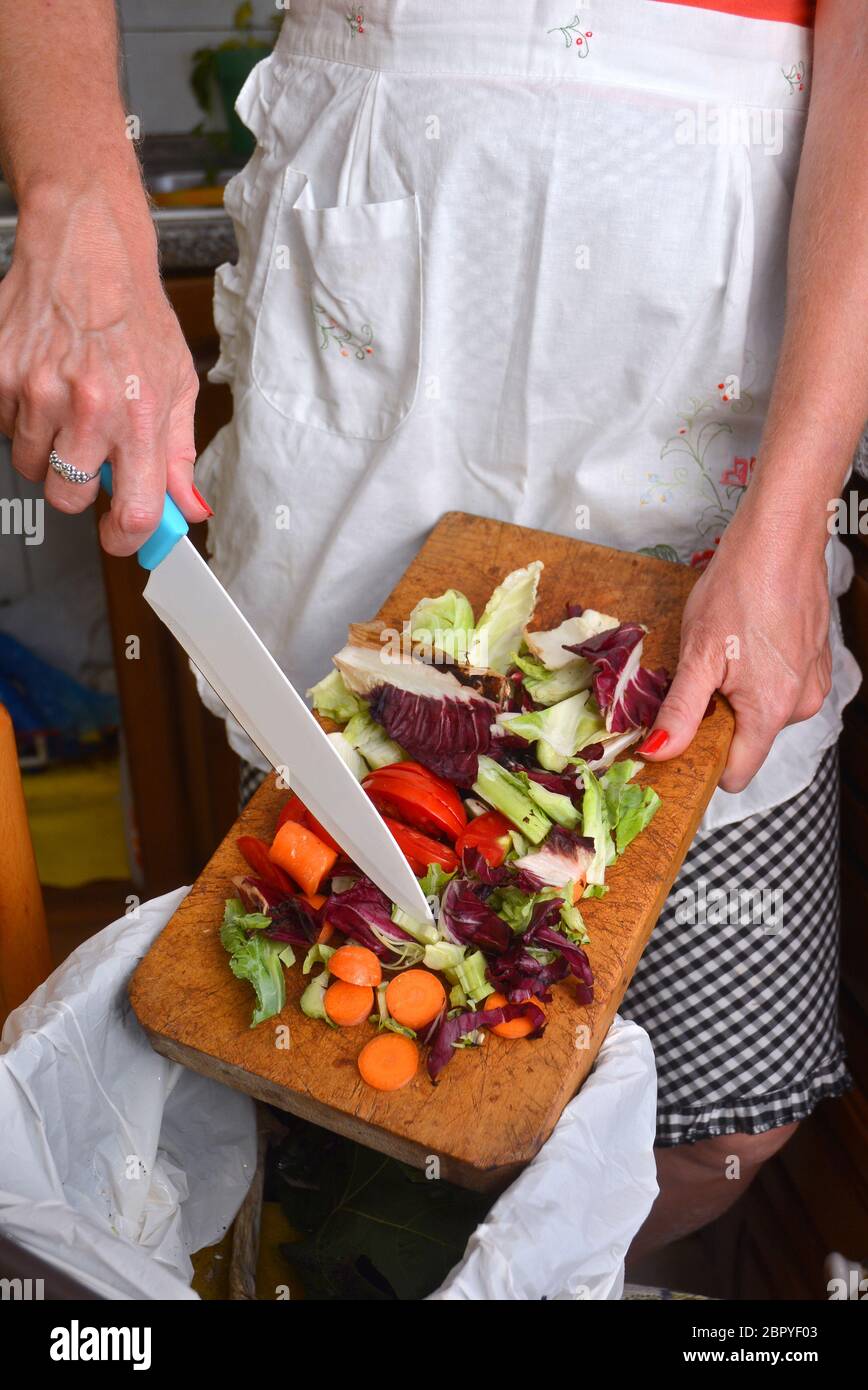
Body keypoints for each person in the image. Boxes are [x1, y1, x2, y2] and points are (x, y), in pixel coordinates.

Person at [0, 0, 864, 1261]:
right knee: (342, 1072)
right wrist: (79, 194)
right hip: (387, 240)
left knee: (709, 1115)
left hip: (724, 279)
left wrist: (793, 506)